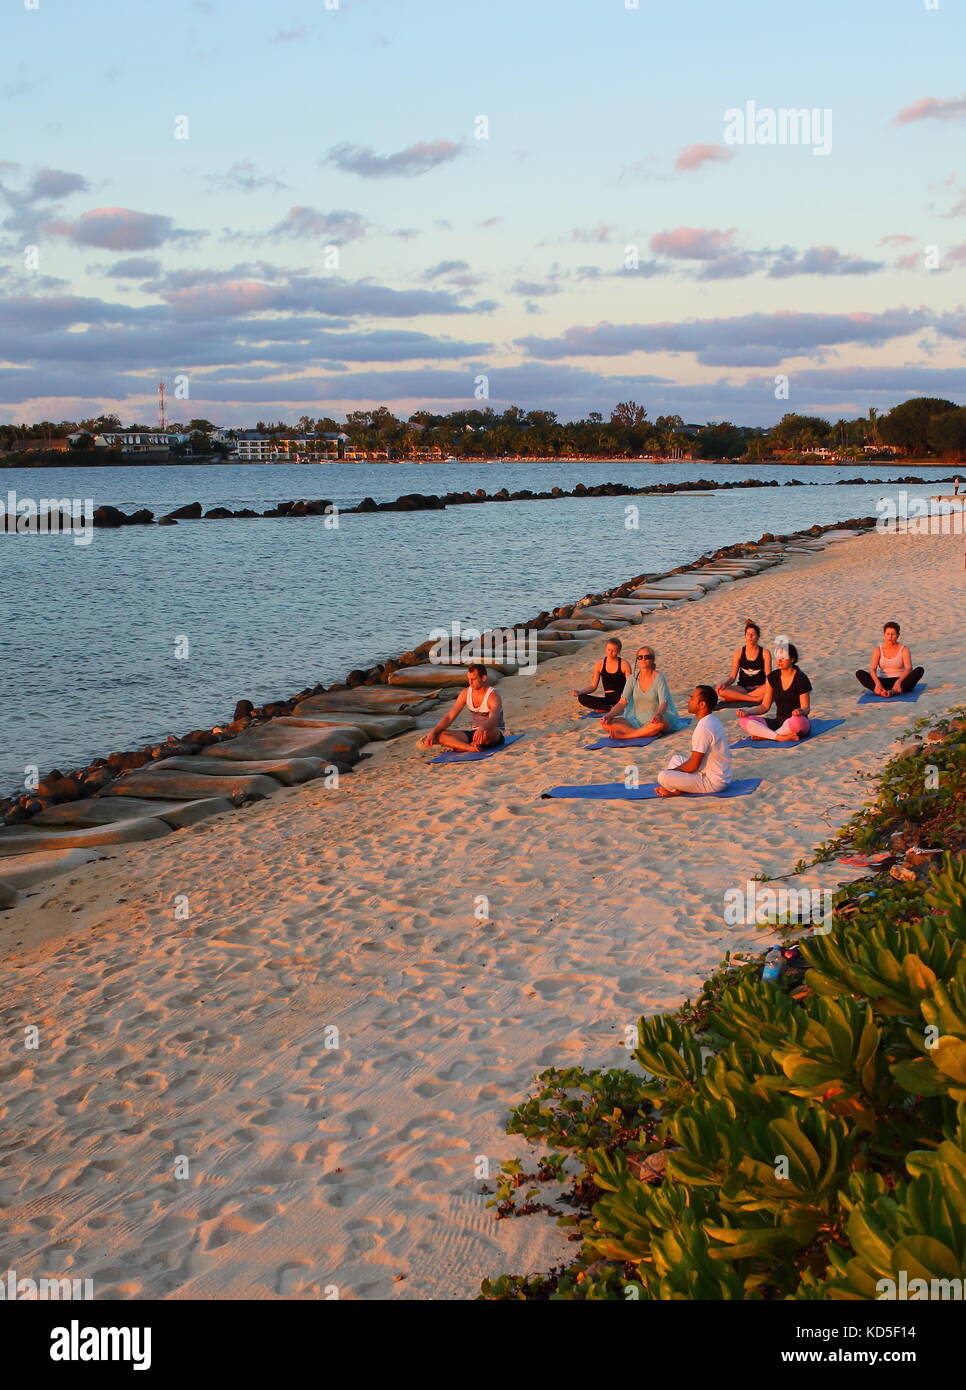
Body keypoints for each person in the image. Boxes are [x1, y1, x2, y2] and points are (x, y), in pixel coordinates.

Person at [656, 685, 732, 796]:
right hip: (713, 773)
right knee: (676, 759)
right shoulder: (712, 720)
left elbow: (693, 765)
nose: (688, 701)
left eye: (692, 698)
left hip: (713, 782)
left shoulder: (704, 728)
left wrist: (672, 772)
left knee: (663, 776)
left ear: (702, 705)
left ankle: (675, 790)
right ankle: (678, 787)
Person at [600, 646, 685, 740]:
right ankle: (639, 733)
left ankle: (626, 735)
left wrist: (659, 715)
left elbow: (663, 702)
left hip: (654, 719)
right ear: (637, 660)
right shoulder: (632, 678)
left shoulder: (659, 677)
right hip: (635, 720)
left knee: (660, 724)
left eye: (647, 657)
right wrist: (609, 715)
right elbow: (622, 702)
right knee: (606, 724)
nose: (643, 659)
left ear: (652, 660)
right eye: (640, 657)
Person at [416, 664, 505, 751]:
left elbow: (494, 718)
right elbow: (450, 716)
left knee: (488, 732)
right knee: (440, 735)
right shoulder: (465, 693)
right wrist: (433, 732)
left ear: (483, 678)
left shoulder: (492, 696)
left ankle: (462, 746)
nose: (470, 682)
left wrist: (483, 728)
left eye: (473, 679)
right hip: (474, 733)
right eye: (469, 679)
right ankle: (470, 747)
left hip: (493, 733)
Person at [736, 643, 812, 741]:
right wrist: (747, 712)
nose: (779, 660)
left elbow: (806, 708)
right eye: (778, 657)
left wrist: (800, 711)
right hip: (778, 723)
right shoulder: (773, 677)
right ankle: (779, 736)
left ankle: (767, 735)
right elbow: (764, 707)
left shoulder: (801, 678)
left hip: (797, 721)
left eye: (783, 657)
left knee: (796, 722)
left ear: (792, 659)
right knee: (744, 720)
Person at [855, 622, 924, 697]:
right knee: (860, 673)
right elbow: (872, 669)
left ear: (898, 635)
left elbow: (908, 668)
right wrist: (877, 683)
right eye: (888, 634)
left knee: (919, 670)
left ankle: (894, 691)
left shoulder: (904, 649)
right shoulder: (878, 650)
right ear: (884, 635)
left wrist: (898, 682)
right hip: (883, 682)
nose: (890, 637)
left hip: (901, 682)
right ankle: (881, 692)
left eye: (893, 634)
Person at [715, 620, 772, 705]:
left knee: (770, 688)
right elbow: (732, 677)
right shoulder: (738, 653)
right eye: (748, 634)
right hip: (742, 688)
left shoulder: (765, 653)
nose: (750, 636)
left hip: (759, 688)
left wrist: (769, 687)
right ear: (745, 636)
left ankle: (739, 698)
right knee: (721, 691)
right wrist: (724, 684)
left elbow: (769, 677)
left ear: (758, 636)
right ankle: (753, 699)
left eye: (753, 634)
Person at [572, 638, 632, 712]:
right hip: (608, 699)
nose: (610, 652)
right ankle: (611, 709)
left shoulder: (624, 664)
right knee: (582, 698)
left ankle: (610, 708)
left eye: (614, 650)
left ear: (619, 651)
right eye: (608, 650)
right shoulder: (600, 664)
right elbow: (593, 686)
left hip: (621, 697)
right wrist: (581, 692)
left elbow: (630, 685)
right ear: (605, 649)